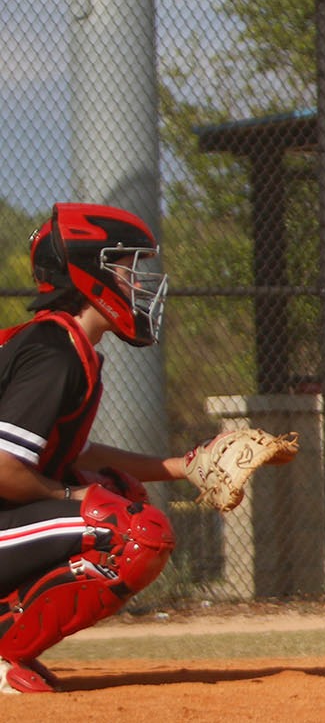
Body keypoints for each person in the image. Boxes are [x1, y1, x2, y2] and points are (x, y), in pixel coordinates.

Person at [0, 204, 182, 692]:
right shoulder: (53, 351)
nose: (135, 281)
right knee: (130, 530)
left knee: (115, 495)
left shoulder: (65, 347)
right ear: (88, 270)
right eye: (124, 266)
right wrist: (76, 498)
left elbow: (71, 456)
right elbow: (2, 469)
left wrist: (183, 466)